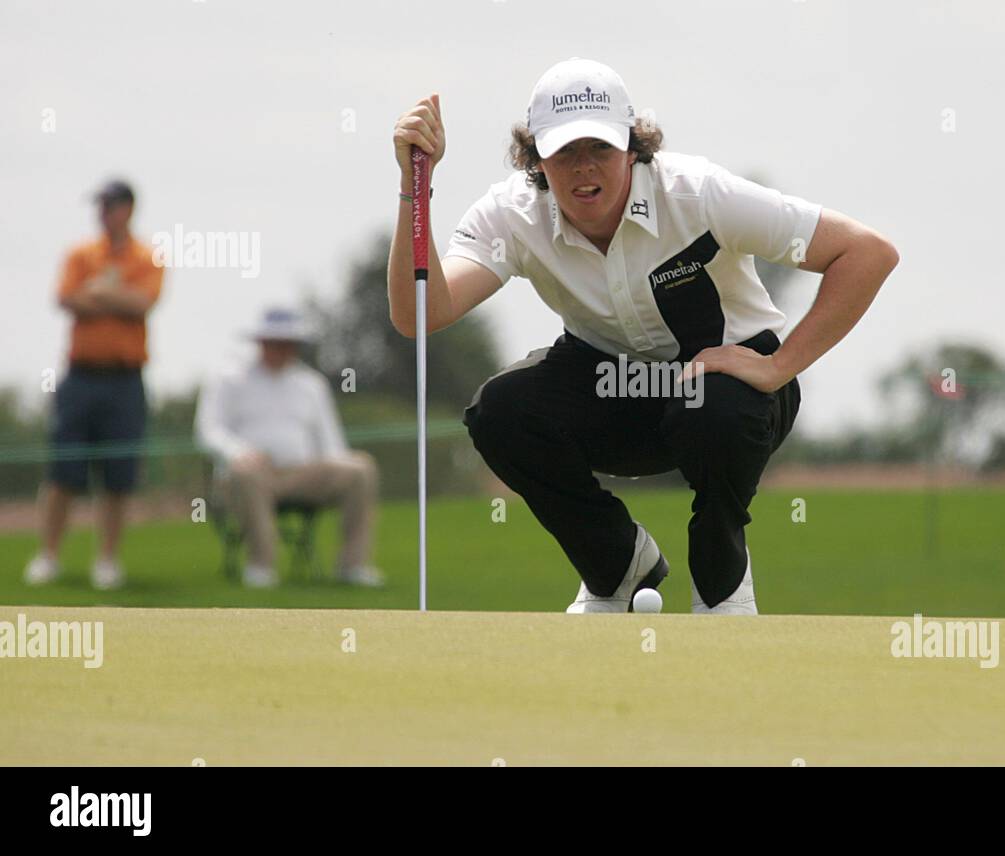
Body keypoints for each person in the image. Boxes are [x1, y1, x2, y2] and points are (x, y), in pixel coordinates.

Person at [387, 59, 899, 614]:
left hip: (734, 395)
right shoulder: (511, 214)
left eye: (600, 148)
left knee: (715, 410)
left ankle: (723, 588)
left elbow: (866, 253)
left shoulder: (698, 193)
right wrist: (415, 190)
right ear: (535, 158)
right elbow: (420, 314)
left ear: (633, 148)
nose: (584, 168)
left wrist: (779, 367)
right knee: (500, 411)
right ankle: (617, 570)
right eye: (564, 151)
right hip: (615, 387)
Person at [24, 179, 165, 590]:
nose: (102, 213)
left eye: (109, 206)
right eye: (99, 206)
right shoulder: (80, 254)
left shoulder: (147, 256)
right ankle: (48, 555)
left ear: (128, 208)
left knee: (118, 475)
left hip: (125, 380)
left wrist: (100, 292)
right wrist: (115, 296)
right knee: (63, 470)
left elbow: (143, 304)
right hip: (80, 378)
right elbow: (67, 299)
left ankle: (107, 560)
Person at [194, 308, 384, 589]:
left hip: (302, 475)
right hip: (248, 475)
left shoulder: (312, 384)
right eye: (274, 342)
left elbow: (331, 444)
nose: (280, 349)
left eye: (287, 343)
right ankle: (261, 567)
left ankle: (353, 566)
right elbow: (208, 431)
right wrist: (238, 453)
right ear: (261, 342)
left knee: (361, 468)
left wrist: (339, 465)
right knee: (246, 473)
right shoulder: (229, 379)